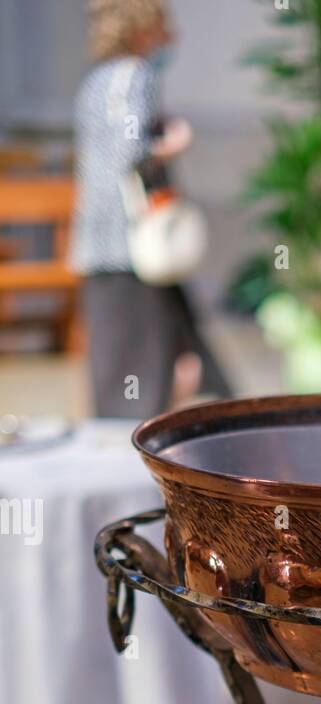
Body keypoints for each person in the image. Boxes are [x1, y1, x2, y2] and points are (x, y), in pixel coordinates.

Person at [71, 0, 231, 419]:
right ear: (142, 27)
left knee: (117, 350)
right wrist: (173, 143)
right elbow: (129, 154)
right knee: (147, 355)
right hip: (137, 238)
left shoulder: (93, 81)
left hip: (96, 238)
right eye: (162, 23)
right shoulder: (136, 75)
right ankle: (172, 430)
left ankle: (135, 423)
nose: (170, 35)